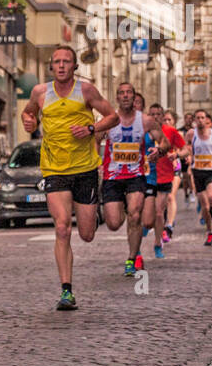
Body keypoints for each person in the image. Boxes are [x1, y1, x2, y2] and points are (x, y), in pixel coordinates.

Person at [21, 44, 119, 310]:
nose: (61, 65)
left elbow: (113, 116)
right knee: (62, 227)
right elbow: (28, 113)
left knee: (86, 234)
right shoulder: (40, 92)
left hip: (85, 168)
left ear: (75, 66)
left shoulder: (86, 90)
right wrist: (28, 121)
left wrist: (91, 128)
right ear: (51, 66)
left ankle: (92, 212)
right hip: (55, 169)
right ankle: (67, 291)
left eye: (67, 61)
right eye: (57, 61)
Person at [100, 83, 169, 276]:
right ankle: (124, 209)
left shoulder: (145, 121)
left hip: (136, 176)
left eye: (129, 93)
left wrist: (159, 149)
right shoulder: (109, 120)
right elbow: (93, 141)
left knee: (136, 215)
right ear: (117, 97)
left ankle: (131, 259)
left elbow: (165, 141)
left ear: (134, 97)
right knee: (113, 223)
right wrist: (95, 162)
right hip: (112, 176)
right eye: (121, 93)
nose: (125, 96)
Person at [144, 103, 187, 259]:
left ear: (162, 116)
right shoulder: (142, 130)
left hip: (164, 175)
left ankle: (157, 243)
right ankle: (146, 224)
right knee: (146, 213)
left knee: (159, 211)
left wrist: (176, 155)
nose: (155, 117)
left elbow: (185, 150)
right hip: (146, 176)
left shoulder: (170, 131)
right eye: (152, 114)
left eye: (158, 114)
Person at [187, 110, 212, 246]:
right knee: (204, 207)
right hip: (197, 172)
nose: (200, 120)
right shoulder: (191, 134)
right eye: (197, 117)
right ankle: (210, 232)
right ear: (194, 120)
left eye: (202, 117)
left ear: (206, 120)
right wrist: (188, 156)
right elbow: (186, 147)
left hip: (210, 171)